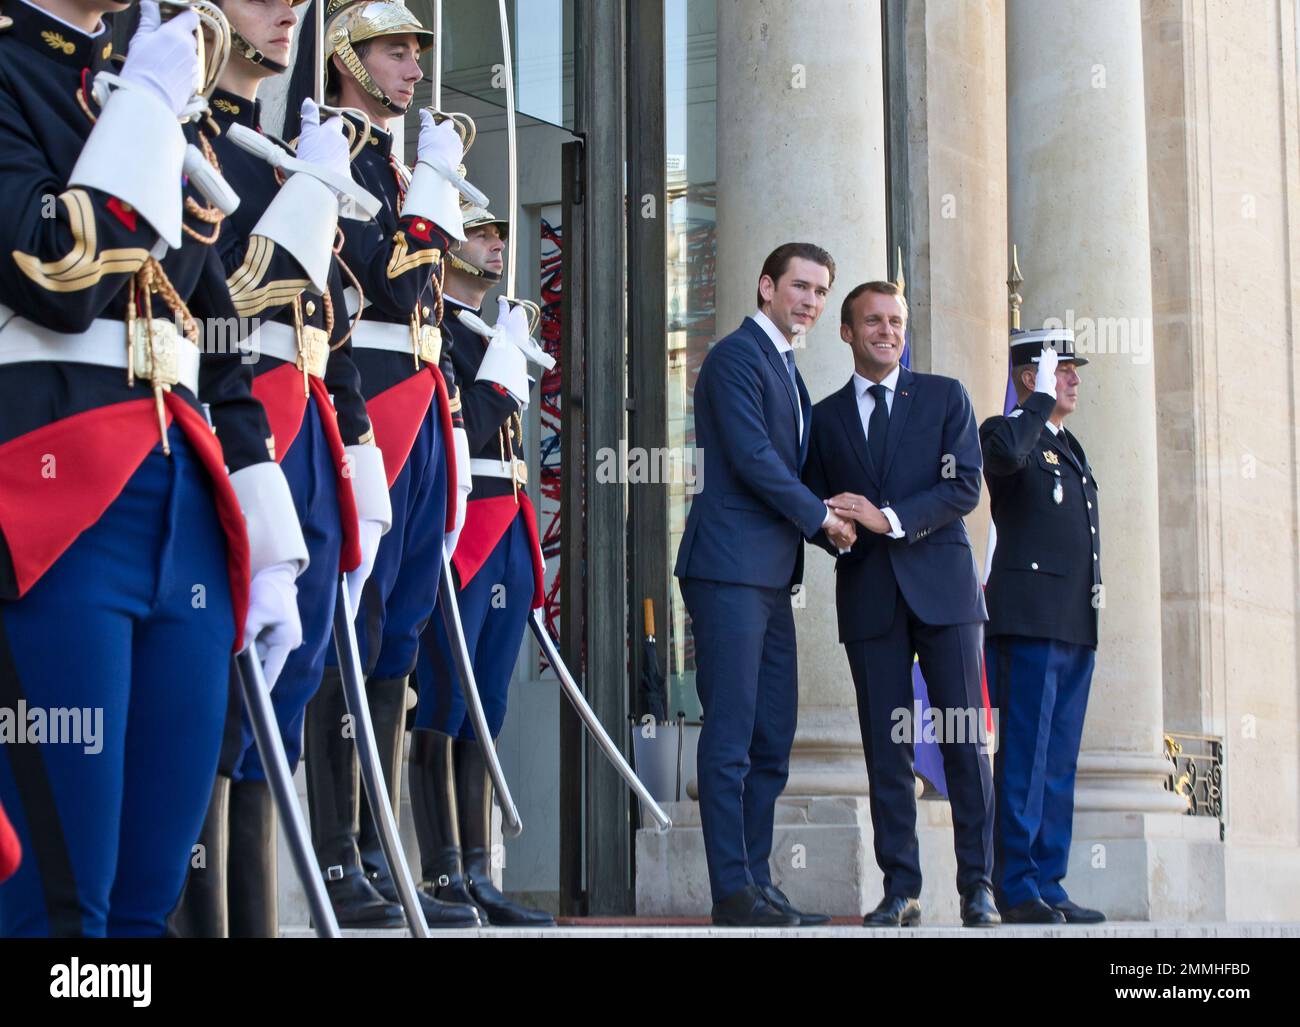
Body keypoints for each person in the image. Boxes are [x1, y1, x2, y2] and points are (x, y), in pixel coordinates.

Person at [0, 0, 306, 936]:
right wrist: (146, 107)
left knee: (150, 889)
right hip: (53, 498)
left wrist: (266, 523)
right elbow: (59, 273)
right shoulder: (27, 74)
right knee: (59, 898)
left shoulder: (134, 81)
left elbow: (213, 334)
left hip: (183, 504)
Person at [171, 0, 392, 938]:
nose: (283, 17)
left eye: (294, 7)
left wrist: (358, 438)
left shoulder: (274, 150)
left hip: (301, 429)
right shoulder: (191, 134)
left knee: (287, 680)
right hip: (229, 408)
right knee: (219, 693)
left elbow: (328, 317)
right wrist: (304, 210)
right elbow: (208, 292)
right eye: (259, 0)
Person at [297, 0, 479, 928]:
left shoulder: (399, 160)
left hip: (417, 395)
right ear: (347, 56)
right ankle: (334, 857)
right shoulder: (326, 142)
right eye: (393, 50)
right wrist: (434, 193)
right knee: (353, 626)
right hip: (359, 386)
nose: (412, 67)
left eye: (415, 51)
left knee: (401, 631)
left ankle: (379, 848)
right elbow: (384, 271)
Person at [807, 280, 999, 928]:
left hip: (944, 594)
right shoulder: (826, 417)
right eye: (873, 322)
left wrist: (884, 516)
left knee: (963, 742)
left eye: (895, 321)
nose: (887, 331)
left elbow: (964, 487)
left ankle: (979, 885)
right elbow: (813, 503)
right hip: (869, 599)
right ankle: (902, 889)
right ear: (847, 331)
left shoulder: (945, 398)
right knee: (885, 749)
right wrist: (830, 527)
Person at [673, 242, 853, 928]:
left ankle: (758, 877)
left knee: (772, 733)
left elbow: (793, 468)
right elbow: (751, 458)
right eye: (800, 286)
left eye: (819, 291)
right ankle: (731, 892)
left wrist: (838, 516)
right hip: (726, 569)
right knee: (731, 732)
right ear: (765, 284)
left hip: (771, 576)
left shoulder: (788, 369)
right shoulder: (735, 358)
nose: (809, 300)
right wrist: (821, 518)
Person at [409, 202, 554, 926]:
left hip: (509, 523)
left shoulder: (492, 329)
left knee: (488, 699)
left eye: (500, 233)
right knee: (443, 694)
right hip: (463, 522)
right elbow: (454, 413)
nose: (496, 244)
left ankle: (476, 869)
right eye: (480, 231)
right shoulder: (432, 325)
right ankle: (439, 875)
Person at [979, 329, 1105, 925]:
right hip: (1027, 622)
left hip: (1072, 622)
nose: (1075, 378)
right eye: (1063, 368)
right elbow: (1003, 457)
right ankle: (1016, 884)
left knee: (1058, 760)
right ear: (1030, 376)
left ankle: (1049, 879)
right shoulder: (1010, 432)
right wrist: (1034, 400)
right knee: (1025, 756)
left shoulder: (1069, 446)